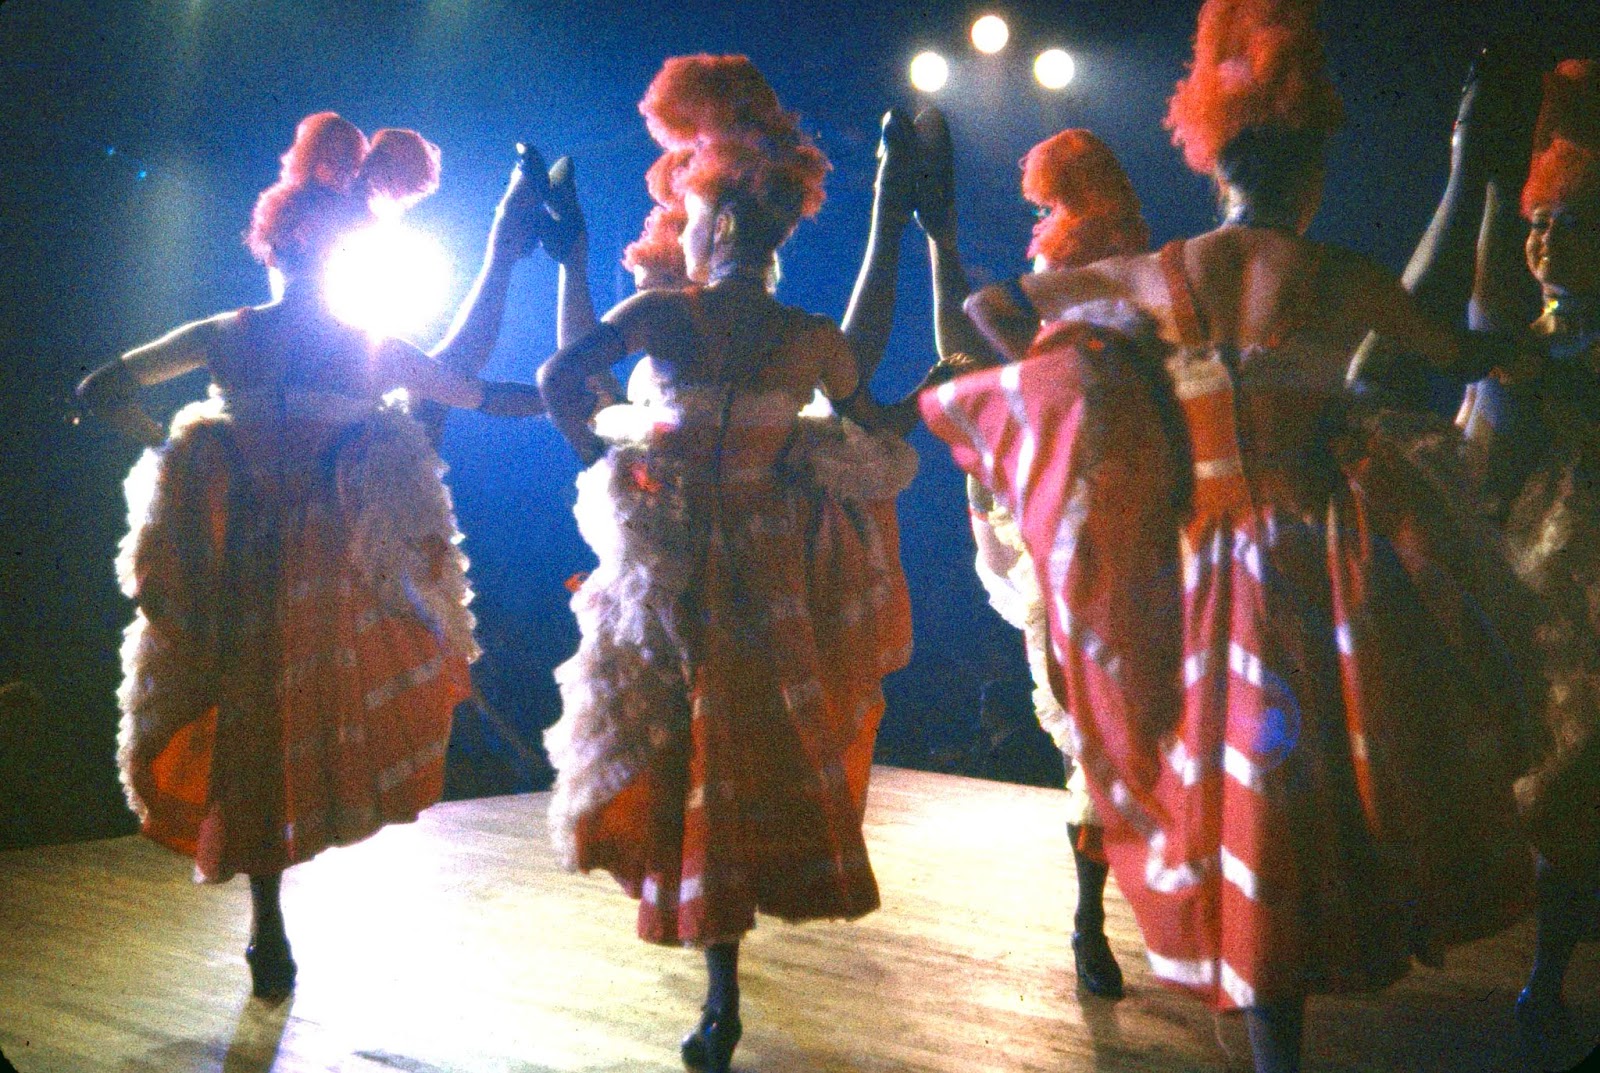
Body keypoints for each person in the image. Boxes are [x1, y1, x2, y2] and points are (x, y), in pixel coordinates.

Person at [944, 2, 1543, 1070]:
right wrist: (1476, 180)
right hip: (1319, 563)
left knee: (1232, 793)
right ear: (1310, 159)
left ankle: (1269, 1033)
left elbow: (993, 313)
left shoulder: (1153, 275)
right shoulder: (1340, 277)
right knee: (1326, 784)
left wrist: (1125, 392)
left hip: (1197, 565)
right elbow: (1452, 349)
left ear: (1215, 157)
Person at [74, 112, 549, 1000]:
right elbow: (480, 392)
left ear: (278, 243)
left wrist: (177, 448)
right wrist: (570, 398)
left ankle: (269, 926)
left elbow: (98, 388)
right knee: (302, 720)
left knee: (256, 729)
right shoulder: (362, 346)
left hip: (249, 566)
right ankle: (272, 922)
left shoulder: (232, 330)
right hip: (328, 574)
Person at [536, 55, 922, 1073]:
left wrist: (608, 465)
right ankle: (719, 988)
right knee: (708, 756)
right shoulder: (778, 332)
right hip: (716, 571)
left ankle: (720, 989)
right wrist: (611, 475)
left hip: (710, 569)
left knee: (713, 758)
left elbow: (560, 376)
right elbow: (867, 381)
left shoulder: (686, 317)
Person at [948, 127, 1152, 1000]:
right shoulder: (1057, 345)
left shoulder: (1148, 323)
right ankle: (1088, 921)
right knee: (1087, 744)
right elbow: (980, 313)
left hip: (1150, 539)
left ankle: (1153, 910)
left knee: (1141, 736)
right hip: (1067, 553)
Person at [1455, 56, 1600, 1050]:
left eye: (1566, 223)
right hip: (1542, 594)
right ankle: (1544, 980)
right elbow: (1479, 457)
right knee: (1554, 790)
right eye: (1534, 222)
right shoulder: (1525, 330)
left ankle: (1547, 981)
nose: (1542, 239)